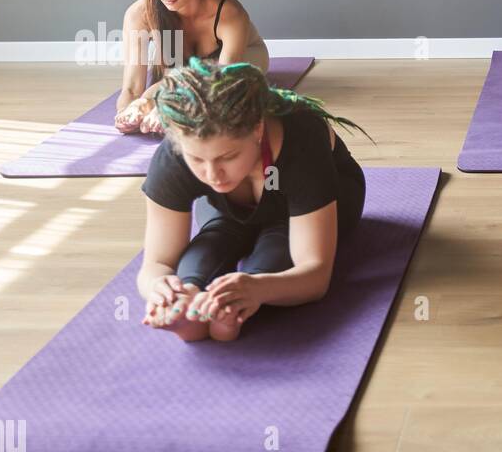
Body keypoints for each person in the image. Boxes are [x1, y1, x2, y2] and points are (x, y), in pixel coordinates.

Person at [136, 58, 369, 342]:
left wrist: (258, 288)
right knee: (214, 239)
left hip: (310, 199)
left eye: (228, 156)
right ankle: (191, 309)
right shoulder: (173, 156)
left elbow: (315, 275)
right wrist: (160, 288)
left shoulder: (301, 137)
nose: (213, 174)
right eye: (197, 159)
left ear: (258, 129)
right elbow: (156, 262)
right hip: (228, 211)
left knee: (276, 245)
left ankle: (231, 309)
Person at [115, 0, 270, 134]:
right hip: (184, 72)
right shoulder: (138, 14)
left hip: (242, 59)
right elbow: (133, 87)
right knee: (161, 88)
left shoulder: (228, 11)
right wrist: (127, 113)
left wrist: (167, 109)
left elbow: (220, 88)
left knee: (221, 87)